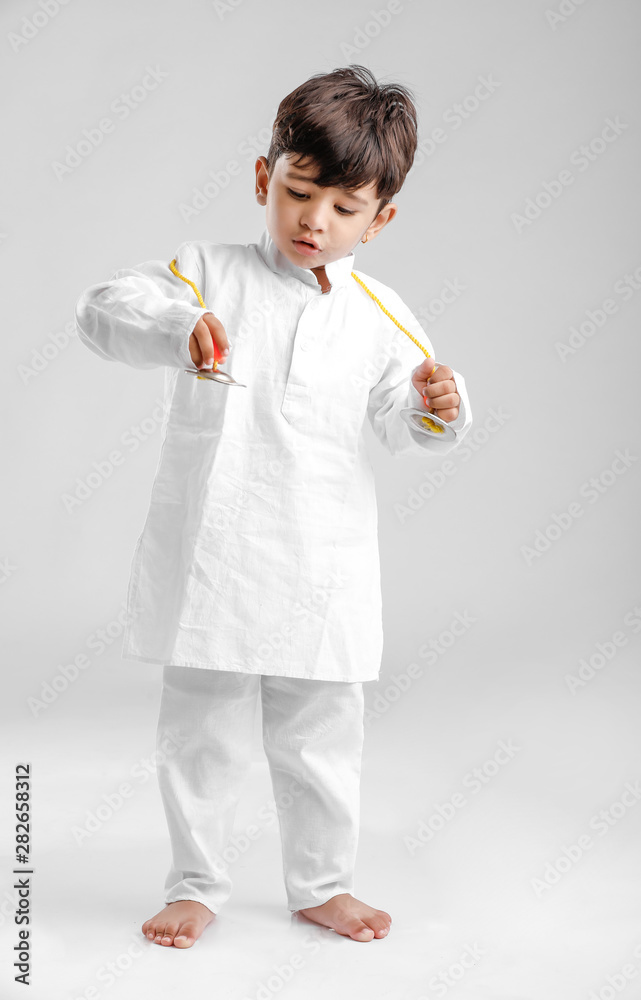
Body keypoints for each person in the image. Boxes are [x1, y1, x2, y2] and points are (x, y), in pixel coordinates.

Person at [75, 64, 473, 948]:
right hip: (215, 554)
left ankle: (321, 883)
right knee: (202, 732)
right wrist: (174, 329)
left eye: (341, 208)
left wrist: (436, 409)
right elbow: (101, 311)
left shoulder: (381, 314)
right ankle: (196, 884)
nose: (313, 221)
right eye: (298, 194)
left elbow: (401, 421)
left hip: (322, 562)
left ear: (381, 220)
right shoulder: (204, 273)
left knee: (322, 738)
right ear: (265, 179)